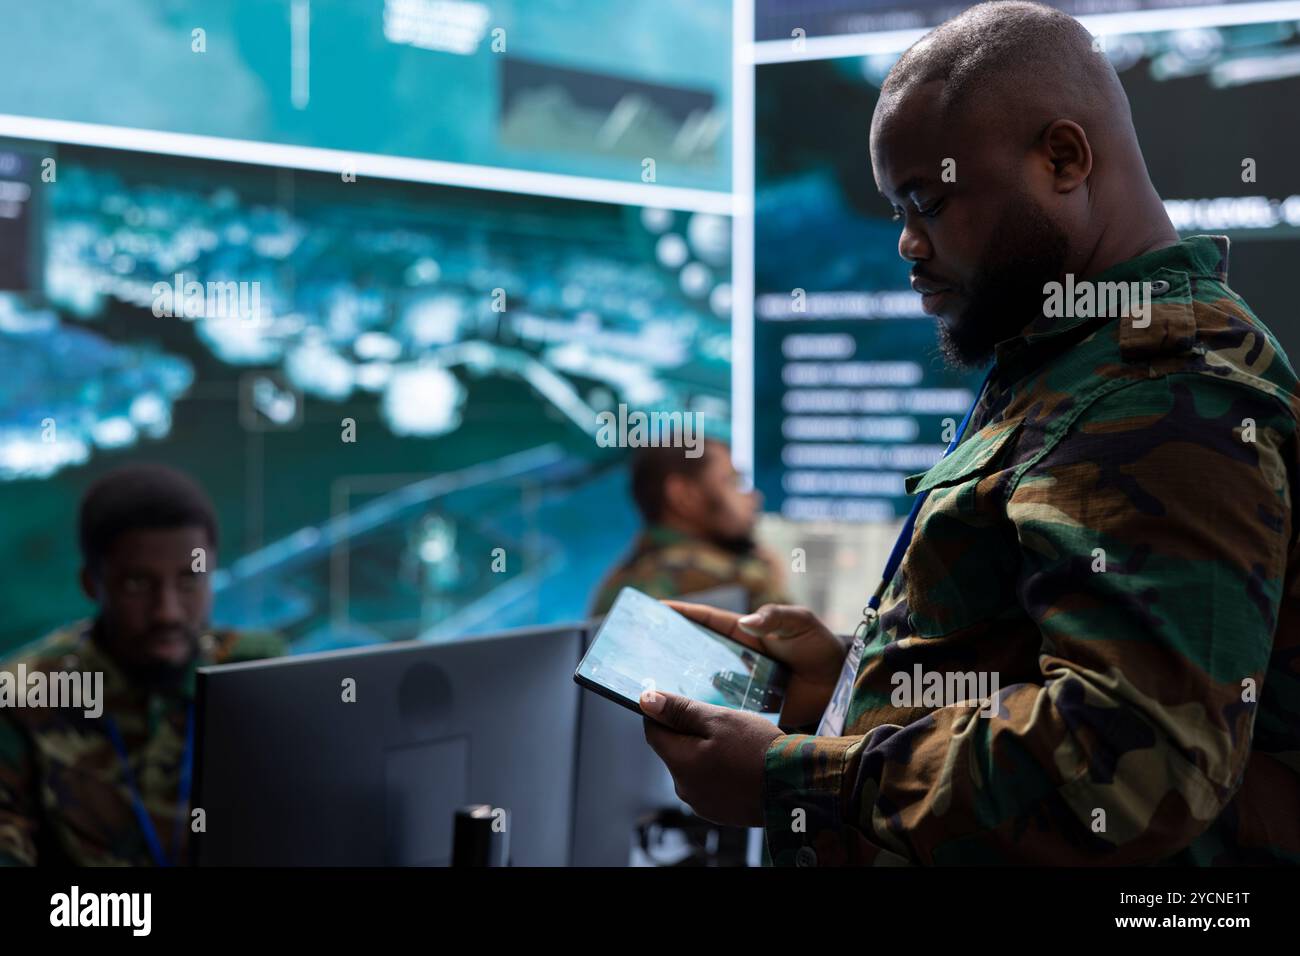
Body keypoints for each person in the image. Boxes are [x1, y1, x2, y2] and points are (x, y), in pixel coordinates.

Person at [638, 1, 1300, 865]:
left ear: (1063, 158)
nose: (910, 244)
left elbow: (1127, 770)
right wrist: (854, 676)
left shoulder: (1163, 392)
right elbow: (1038, 656)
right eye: (898, 211)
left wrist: (794, 779)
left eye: (930, 201)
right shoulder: (1074, 358)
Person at [0, 464, 284, 866]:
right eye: (137, 584)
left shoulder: (259, 670)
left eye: (190, 581)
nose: (167, 612)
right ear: (91, 584)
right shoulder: (24, 695)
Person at [590, 440, 791, 615]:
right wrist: (771, 583)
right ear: (685, 496)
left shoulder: (618, 582)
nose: (754, 497)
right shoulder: (737, 578)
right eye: (733, 481)